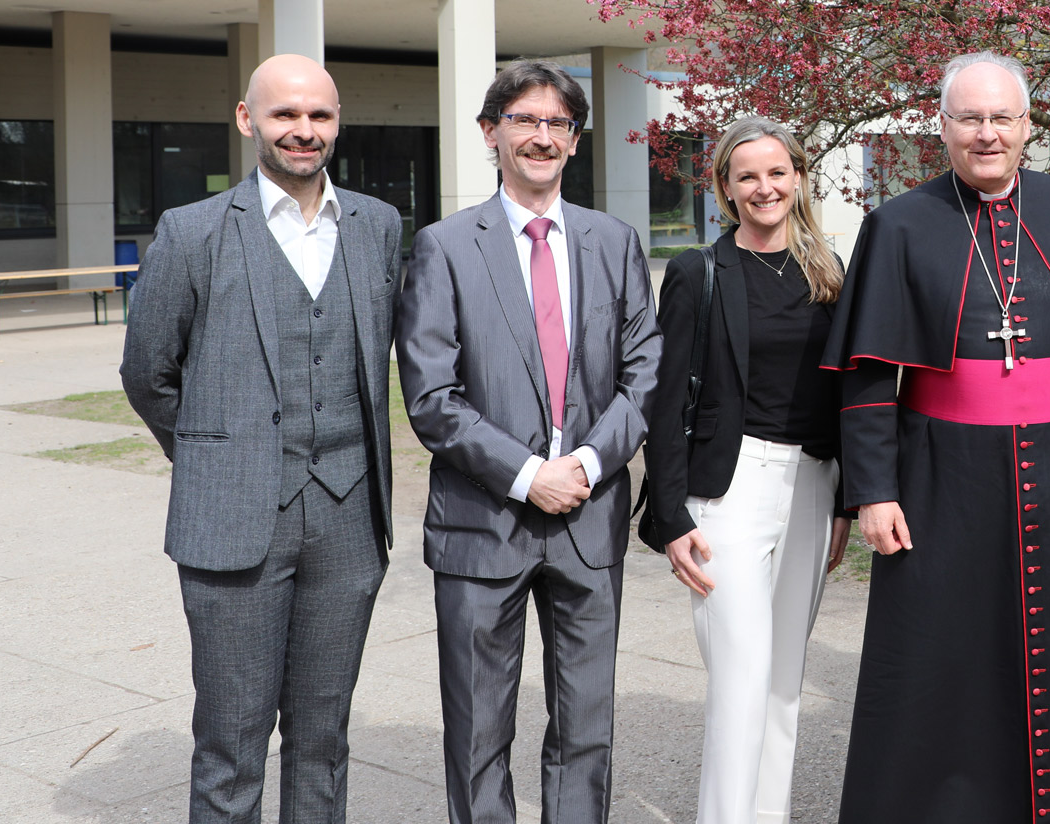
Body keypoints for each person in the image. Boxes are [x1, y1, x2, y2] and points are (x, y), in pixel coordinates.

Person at [823, 51, 1050, 823]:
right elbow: (869, 377)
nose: (987, 133)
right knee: (943, 655)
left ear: (1028, 125)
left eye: (1002, 117)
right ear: (942, 127)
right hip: (944, 474)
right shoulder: (899, 223)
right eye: (970, 118)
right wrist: (873, 491)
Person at [121, 53, 403, 823]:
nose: (303, 131)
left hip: (349, 519)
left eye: (318, 116)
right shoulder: (193, 231)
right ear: (248, 120)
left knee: (323, 736)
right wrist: (220, 458)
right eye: (285, 114)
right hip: (233, 521)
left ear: (336, 124)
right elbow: (149, 372)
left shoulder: (377, 226)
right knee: (231, 739)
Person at [396, 59, 661, 824]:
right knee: (477, 731)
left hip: (589, 519)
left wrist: (581, 463)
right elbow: (431, 396)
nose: (542, 137)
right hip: (484, 524)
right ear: (491, 133)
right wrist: (525, 475)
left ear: (575, 141)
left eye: (558, 124)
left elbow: (644, 374)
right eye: (524, 121)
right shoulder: (446, 247)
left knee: (587, 730)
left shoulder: (615, 242)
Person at [641, 116, 853, 824]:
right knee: (741, 676)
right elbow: (667, 399)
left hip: (812, 485)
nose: (764, 187)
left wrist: (846, 502)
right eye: (747, 176)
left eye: (776, 172)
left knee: (784, 683)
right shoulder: (700, 272)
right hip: (727, 490)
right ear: (725, 188)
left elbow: (847, 393)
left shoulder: (829, 271)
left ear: (798, 177)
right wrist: (669, 516)